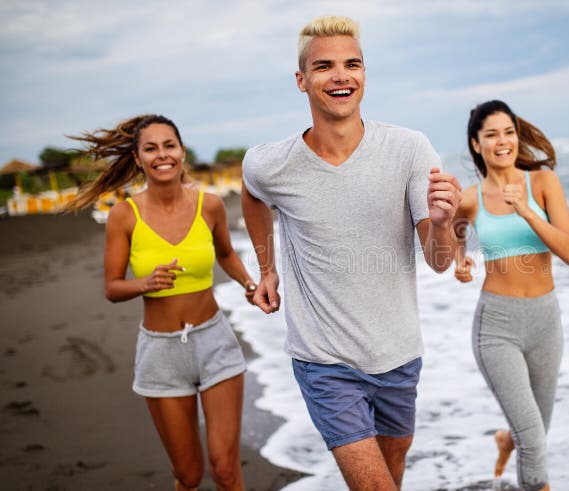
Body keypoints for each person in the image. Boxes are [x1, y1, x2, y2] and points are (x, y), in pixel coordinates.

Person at [241, 15, 462, 491]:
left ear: (364, 74)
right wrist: (266, 268)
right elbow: (252, 193)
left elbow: (440, 261)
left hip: (399, 353)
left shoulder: (409, 149)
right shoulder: (270, 162)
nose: (341, 75)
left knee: (392, 469)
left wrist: (444, 224)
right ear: (302, 80)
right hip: (324, 362)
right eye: (324, 66)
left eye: (352, 64)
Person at [67, 114, 256, 491]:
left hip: (215, 343)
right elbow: (112, 287)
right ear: (138, 159)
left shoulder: (211, 206)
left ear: (182, 151)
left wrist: (251, 283)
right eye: (150, 148)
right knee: (187, 476)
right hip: (161, 353)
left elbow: (227, 255)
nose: (162, 155)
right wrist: (145, 283)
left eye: (169, 145)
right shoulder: (124, 216)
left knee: (225, 470)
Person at [452, 100, 569, 491]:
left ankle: (505, 440)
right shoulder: (471, 198)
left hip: (545, 322)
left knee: (534, 431)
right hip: (497, 326)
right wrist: (460, 260)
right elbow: (453, 231)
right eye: (492, 135)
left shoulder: (542, 182)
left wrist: (526, 210)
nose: (502, 141)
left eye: (508, 132)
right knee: (534, 441)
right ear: (477, 144)